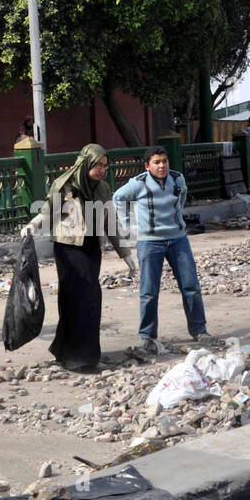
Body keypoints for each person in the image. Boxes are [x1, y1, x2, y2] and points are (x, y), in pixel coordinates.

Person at [23, 144, 136, 371]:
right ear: (85, 163)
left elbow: (110, 222)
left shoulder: (102, 188)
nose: (102, 170)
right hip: (69, 248)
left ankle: (71, 352)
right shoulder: (65, 185)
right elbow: (48, 211)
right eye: (97, 165)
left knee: (86, 299)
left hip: (92, 249)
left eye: (105, 166)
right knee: (80, 298)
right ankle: (79, 358)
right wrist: (32, 225)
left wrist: (126, 254)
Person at [113, 146, 211, 352]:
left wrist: (177, 219)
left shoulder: (177, 179)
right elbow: (117, 198)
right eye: (157, 162)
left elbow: (182, 197)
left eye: (164, 161)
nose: (162, 165)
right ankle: (148, 336)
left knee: (191, 286)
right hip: (150, 242)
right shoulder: (138, 184)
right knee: (149, 291)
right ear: (147, 166)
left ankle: (199, 330)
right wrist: (129, 225)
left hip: (178, 240)